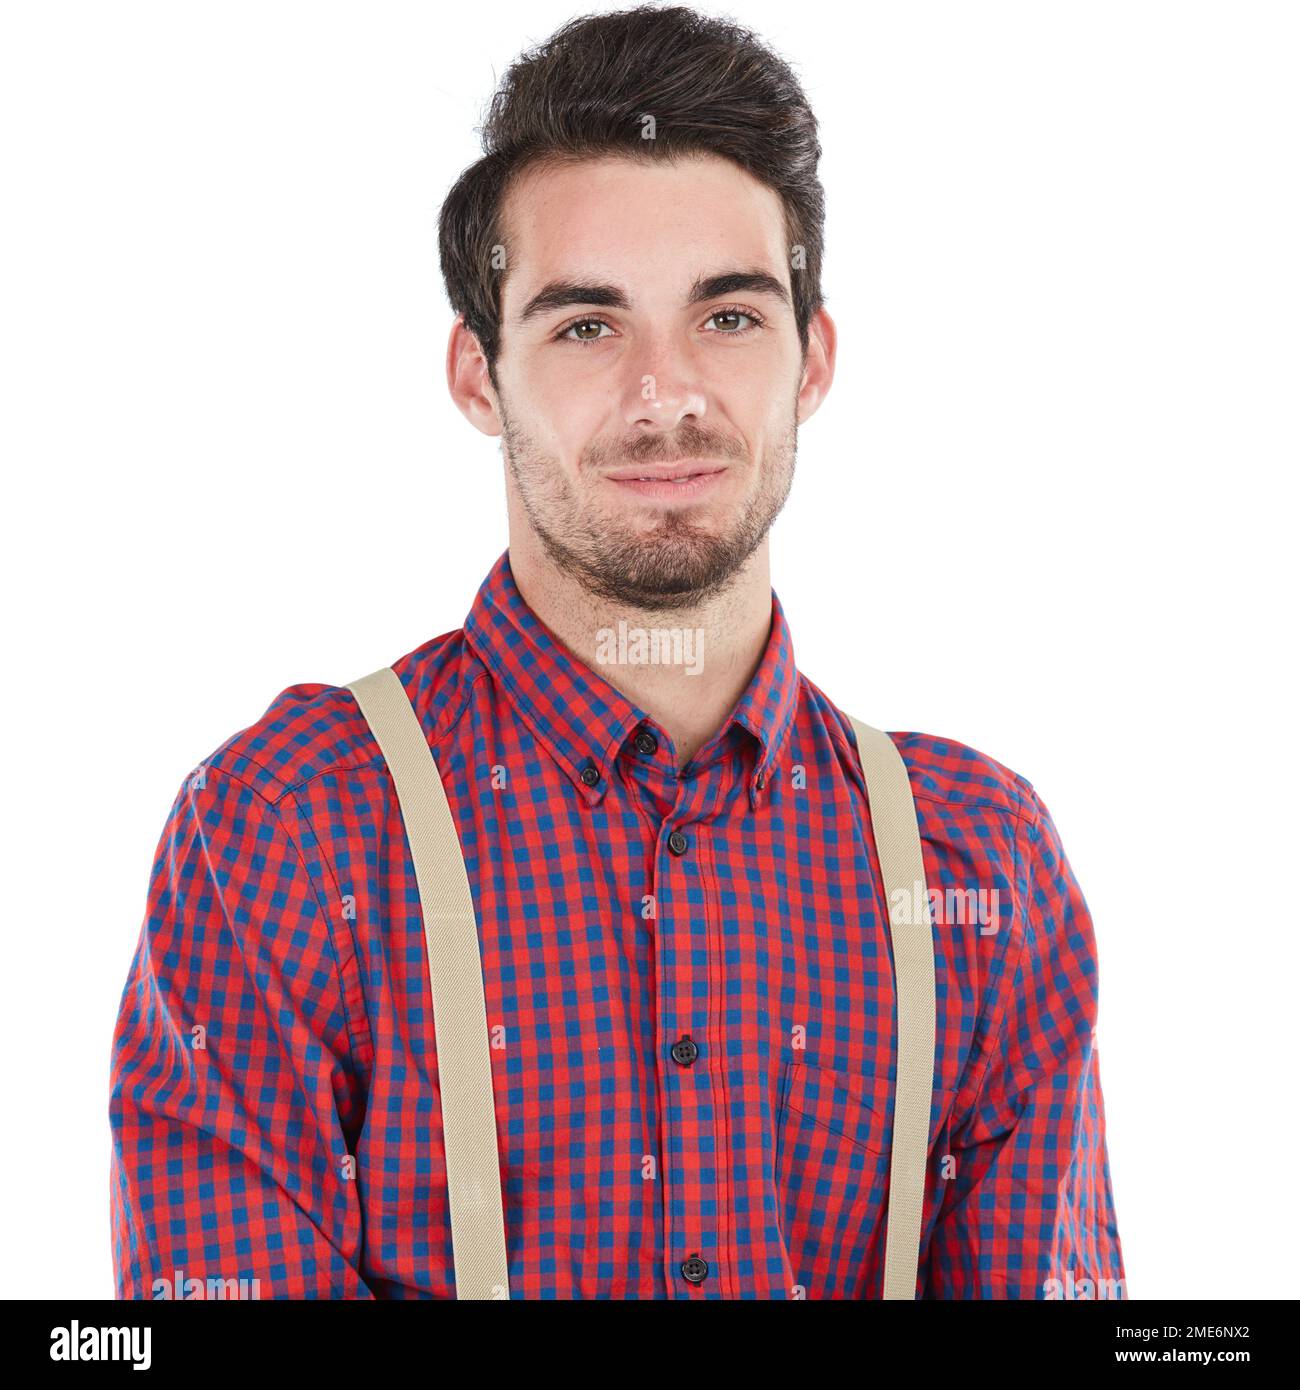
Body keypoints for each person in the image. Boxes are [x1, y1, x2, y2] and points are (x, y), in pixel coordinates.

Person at [109, 4, 1125, 1300]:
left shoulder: (983, 863)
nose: (666, 392)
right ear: (479, 374)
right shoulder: (288, 830)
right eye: (588, 325)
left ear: (812, 359)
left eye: (730, 316)